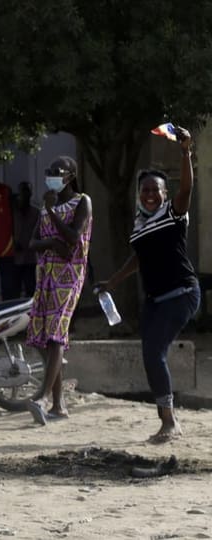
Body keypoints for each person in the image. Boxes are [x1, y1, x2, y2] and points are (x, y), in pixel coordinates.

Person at [96, 128, 198, 443]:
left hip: (181, 293)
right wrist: (111, 283)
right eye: (145, 190)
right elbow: (138, 258)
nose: (150, 194)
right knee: (150, 354)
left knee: (155, 354)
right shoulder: (140, 224)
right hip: (155, 299)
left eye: (155, 190)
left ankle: (170, 424)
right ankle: (167, 419)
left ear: (165, 194)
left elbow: (186, 190)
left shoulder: (173, 213)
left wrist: (185, 154)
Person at [25, 156, 92, 425]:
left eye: (58, 172)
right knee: (50, 335)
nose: (52, 176)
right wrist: (52, 241)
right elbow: (32, 242)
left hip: (70, 276)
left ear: (71, 176)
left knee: (56, 335)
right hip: (47, 274)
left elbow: (74, 238)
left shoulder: (82, 201)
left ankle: (42, 398)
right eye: (49, 171)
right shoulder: (45, 205)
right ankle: (59, 405)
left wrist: (53, 216)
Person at [10, 182, 40, 298]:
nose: (25, 193)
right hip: (14, 257)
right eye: (23, 191)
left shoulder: (36, 212)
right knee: (14, 290)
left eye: (27, 190)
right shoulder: (13, 212)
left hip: (31, 258)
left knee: (31, 289)